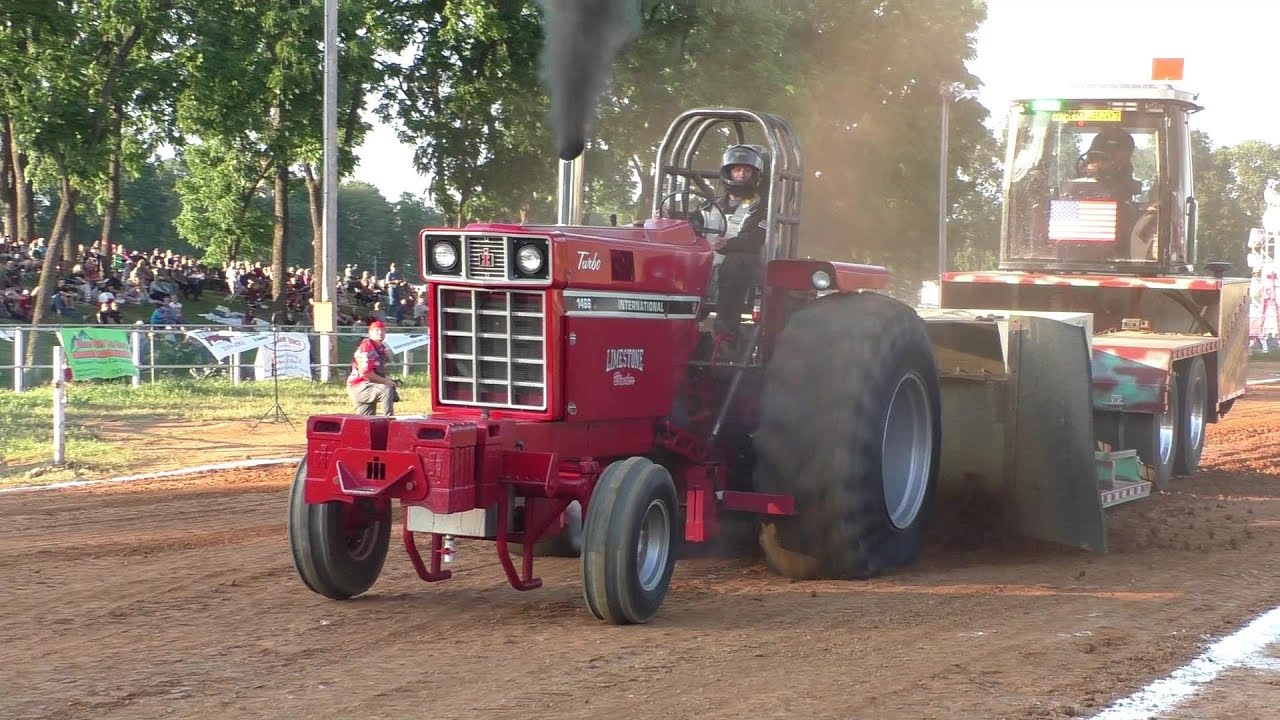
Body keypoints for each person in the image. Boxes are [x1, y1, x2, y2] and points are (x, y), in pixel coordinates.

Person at [708, 143, 769, 341]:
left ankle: (726, 333)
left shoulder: (760, 206)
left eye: (746, 170)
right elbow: (692, 223)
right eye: (737, 169)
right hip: (708, 263)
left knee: (736, 261)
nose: (741, 175)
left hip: (747, 267)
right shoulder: (711, 204)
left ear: (755, 174)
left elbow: (754, 241)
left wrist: (727, 245)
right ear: (728, 172)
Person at [347, 319, 399, 416]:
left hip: (371, 385)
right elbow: (365, 373)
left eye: (382, 330)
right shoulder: (366, 348)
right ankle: (390, 420)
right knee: (386, 390)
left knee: (366, 423)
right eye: (377, 330)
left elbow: (379, 370)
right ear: (370, 333)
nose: (380, 333)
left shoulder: (381, 348)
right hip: (359, 385)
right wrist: (385, 381)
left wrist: (390, 380)